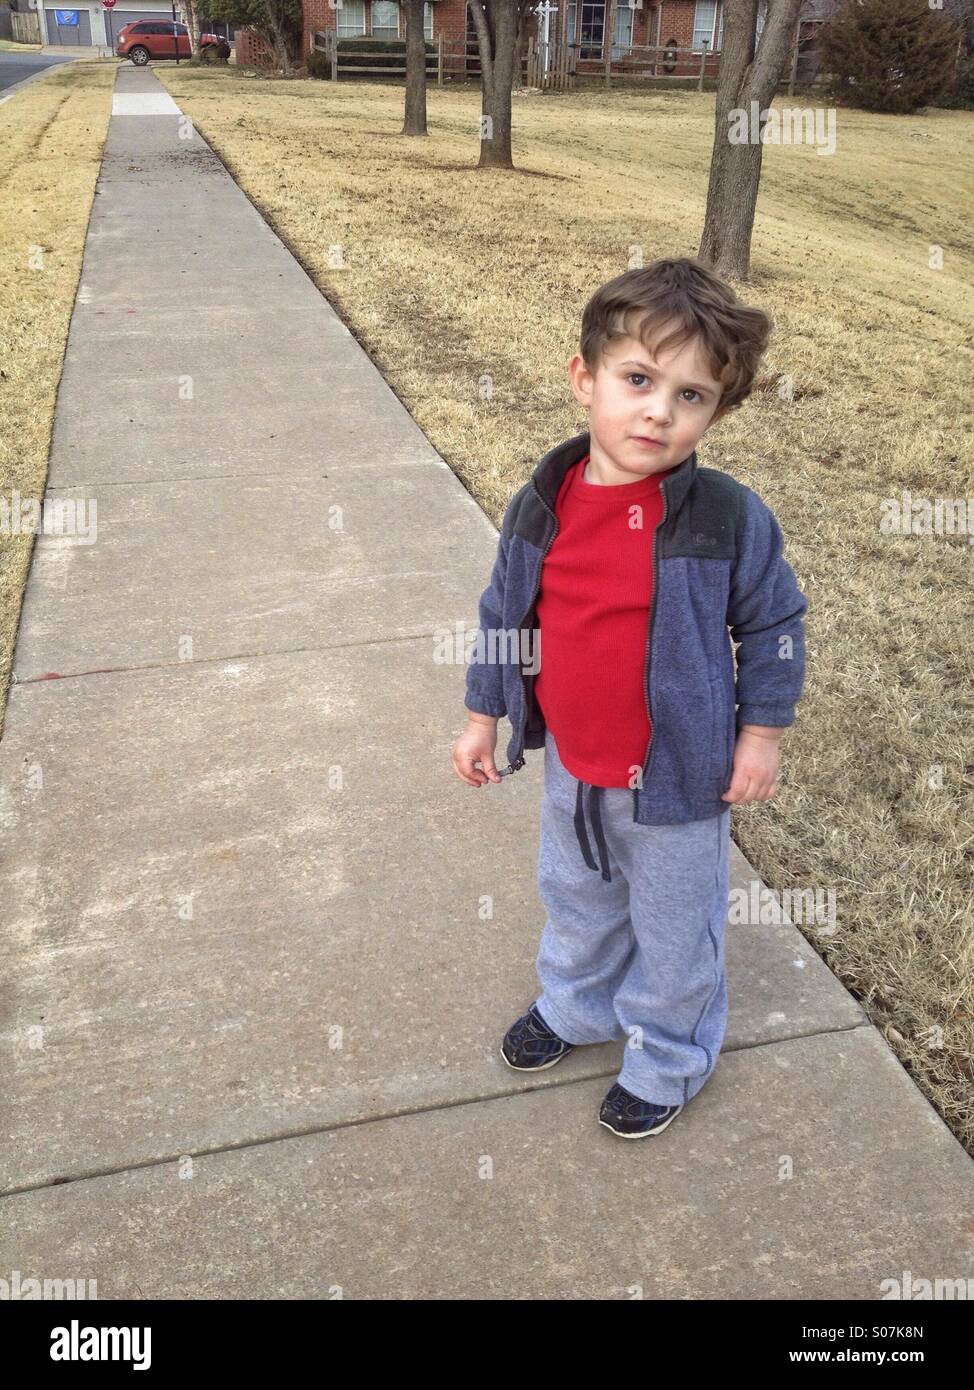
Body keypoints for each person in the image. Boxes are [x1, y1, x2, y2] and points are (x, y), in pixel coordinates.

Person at [451, 257, 807, 1138]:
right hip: (575, 764)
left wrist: (759, 737)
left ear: (716, 411)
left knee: (675, 925)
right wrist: (482, 713)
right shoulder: (543, 501)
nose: (659, 410)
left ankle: (670, 1054)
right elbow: (505, 613)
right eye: (639, 379)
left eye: (691, 395)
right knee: (577, 894)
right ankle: (578, 1006)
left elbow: (774, 625)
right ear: (585, 379)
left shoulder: (724, 517)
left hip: (679, 776)